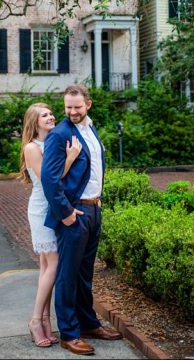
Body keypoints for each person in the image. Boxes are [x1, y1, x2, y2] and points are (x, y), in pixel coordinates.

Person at [41, 84, 123, 355]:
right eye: (68, 107)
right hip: (74, 213)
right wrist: (65, 213)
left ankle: (88, 324)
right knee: (67, 275)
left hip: (94, 210)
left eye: (77, 106)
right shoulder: (59, 134)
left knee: (85, 274)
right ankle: (69, 333)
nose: (72, 111)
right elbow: (50, 180)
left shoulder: (90, 129)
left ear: (88, 104)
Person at [19, 103, 82, 347]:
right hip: (42, 208)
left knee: (46, 267)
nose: (51, 116)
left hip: (53, 206)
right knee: (53, 265)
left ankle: (45, 320)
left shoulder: (52, 142)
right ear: (34, 122)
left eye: (51, 113)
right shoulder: (32, 148)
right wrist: (71, 157)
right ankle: (36, 320)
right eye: (44, 115)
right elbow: (50, 179)